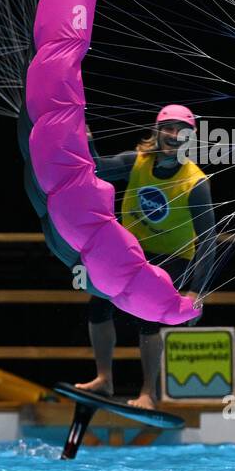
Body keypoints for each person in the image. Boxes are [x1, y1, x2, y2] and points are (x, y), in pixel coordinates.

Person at [76, 105, 215, 410]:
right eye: (168, 128)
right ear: (157, 132)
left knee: (146, 313)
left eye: (182, 130)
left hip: (173, 256)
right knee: (98, 301)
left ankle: (147, 393)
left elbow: (209, 241)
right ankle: (104, 379)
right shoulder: (135, 162)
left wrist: (195, 291)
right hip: (132, 250)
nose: (174, 135)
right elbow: (95, 169)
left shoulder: (196, 184)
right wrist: (88, 143)